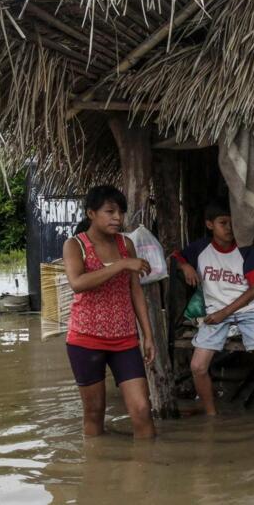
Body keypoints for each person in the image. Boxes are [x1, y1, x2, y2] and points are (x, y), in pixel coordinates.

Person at [62, 185, 156, 438]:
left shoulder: (126, 244)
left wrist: (148, 335)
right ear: (91, 213)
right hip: (85, 340)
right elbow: (78, 283)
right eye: (110, 211)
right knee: (94, 413)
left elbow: (135, 291)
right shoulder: (75, 245)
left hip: (125, 339)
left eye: (121, 212)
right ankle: (96, 461)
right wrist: (121, 264)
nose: (117, 218)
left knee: (142, 410)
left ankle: (149, 462)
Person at [174, 202, 254, 417]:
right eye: (223, 223)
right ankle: (211, 416)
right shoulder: (200, 248)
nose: (229, 228)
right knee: (197, 367)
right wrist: (185, 266)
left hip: (249, 311)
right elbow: (177, 256)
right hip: (215, 312)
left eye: (233, 223)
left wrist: (224, 313)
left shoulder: (246, 250)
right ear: (209, 225)